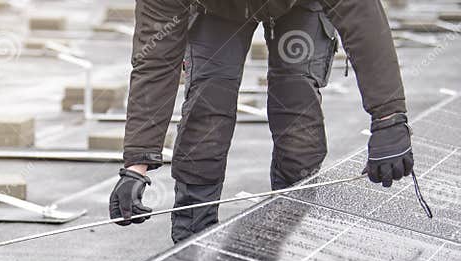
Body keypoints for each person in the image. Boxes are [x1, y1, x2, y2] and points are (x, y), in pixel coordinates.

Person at [109, 0, 414, 243]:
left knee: (297, 106)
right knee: (208, 102)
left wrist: (388, 119)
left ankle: (294, 230)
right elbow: (155, 60)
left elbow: (362, 19)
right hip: (218, 8)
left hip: (298, 5)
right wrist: (136, 164)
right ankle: (193, 235)